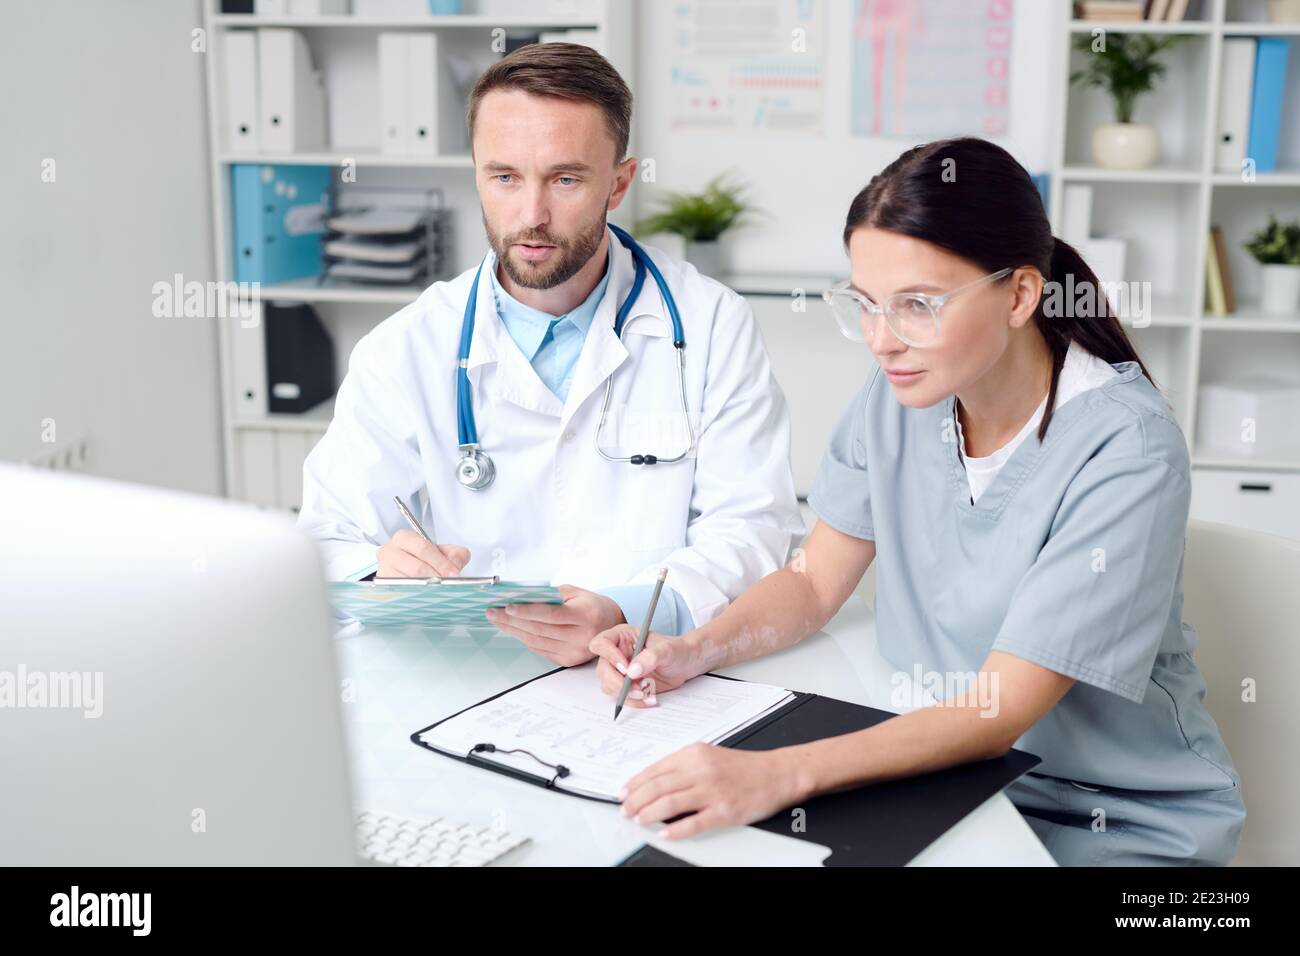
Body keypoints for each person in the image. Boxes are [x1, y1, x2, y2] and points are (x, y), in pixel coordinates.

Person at [589, 137, 1246, 866]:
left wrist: (774, 774)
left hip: (1108, 821)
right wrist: (690, 650)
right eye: (866, 306)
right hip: (945, 782)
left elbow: (994, 713)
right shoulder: (905, 393)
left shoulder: (1127, 448)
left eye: (918, 306)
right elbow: (812, 583)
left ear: (1022, 294)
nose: (881, 340)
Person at [297, 42, 802, 665]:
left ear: (618, 184)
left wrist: (625, 609)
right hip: (471, 669)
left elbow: (755, 527)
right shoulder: (406, 347)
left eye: (565, 179)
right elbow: (325, 536)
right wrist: (381, 574)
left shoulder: (710, 325)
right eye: (504, 176)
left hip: (650, 668)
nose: (530, 215)